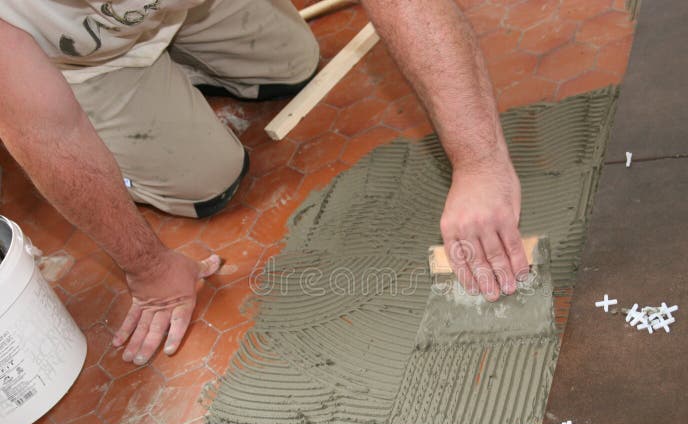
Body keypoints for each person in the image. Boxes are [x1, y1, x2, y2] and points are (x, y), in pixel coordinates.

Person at [0, 0, 529, 366]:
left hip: (184, 8)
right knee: (211, 182)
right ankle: (140, 89)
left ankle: (178, 64)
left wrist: (479, 161)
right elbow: (44, 131)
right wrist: (147, 268)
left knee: (296, 62)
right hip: (77, 59)